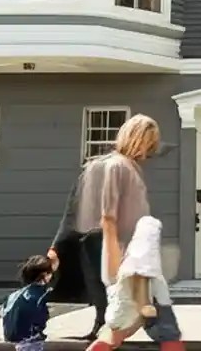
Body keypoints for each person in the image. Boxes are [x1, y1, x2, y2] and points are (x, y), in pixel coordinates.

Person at [47, 114, 161, 346]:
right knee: (117, 298)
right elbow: (97, 213)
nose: (149, 150)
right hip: (105, 239)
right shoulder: (115, 166)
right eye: (147, 142)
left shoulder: (118, 165)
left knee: (120, 301)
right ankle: (106, 335)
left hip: (111, 239)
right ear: (136, 139)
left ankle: (106, 333)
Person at [103, 216, 185, 351]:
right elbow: (141, 281)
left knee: (109, 338)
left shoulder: (130, 258)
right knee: (170, 335)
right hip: (134, 312)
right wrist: (145, 306)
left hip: (119, 313)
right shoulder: (144, 258)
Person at [1, 255, 53, 351]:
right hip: (29, 340)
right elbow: (41, 317)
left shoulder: (13, 295)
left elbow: (3, 313)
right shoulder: (39, 293)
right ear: (44, 274)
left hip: (11, 338)